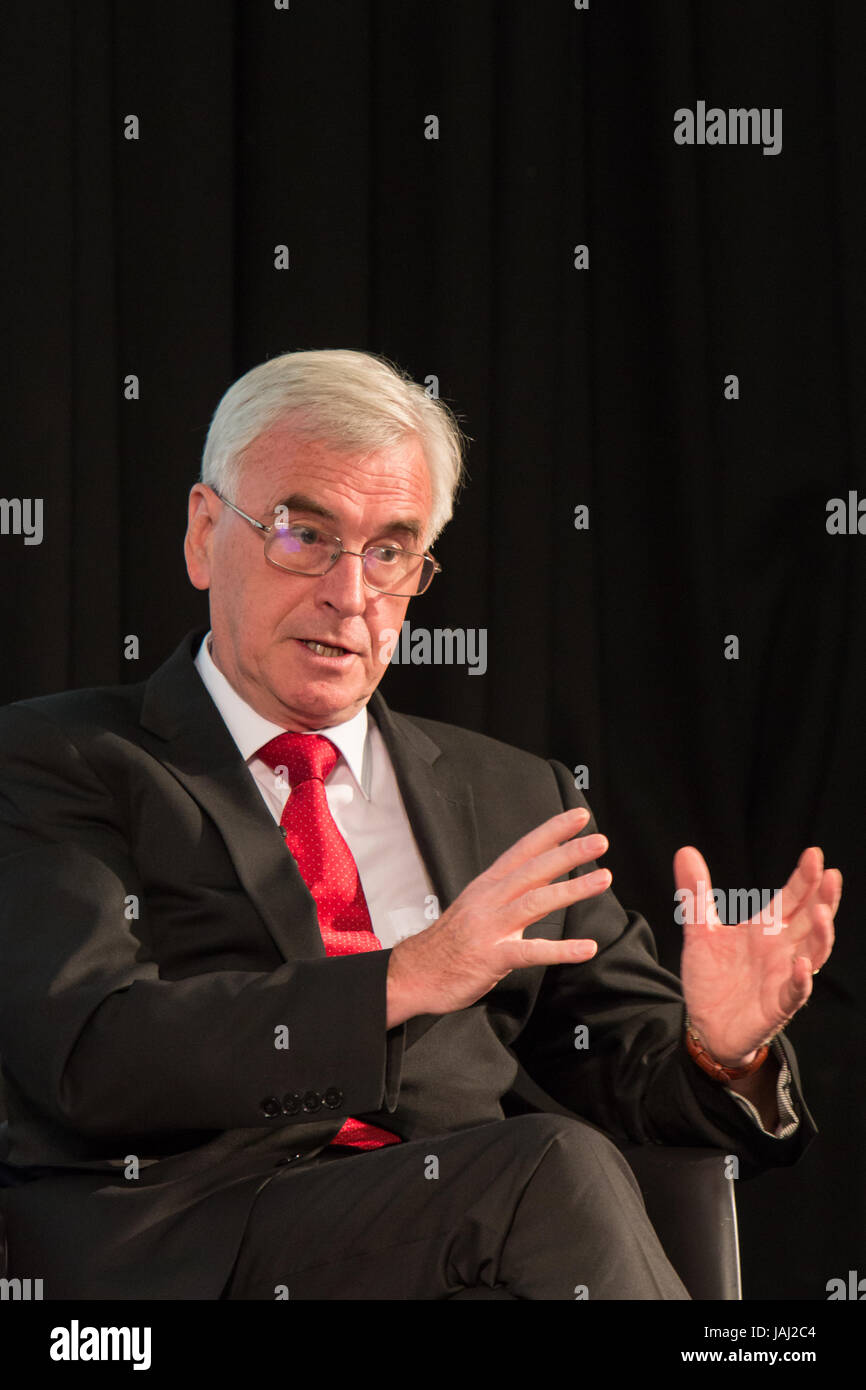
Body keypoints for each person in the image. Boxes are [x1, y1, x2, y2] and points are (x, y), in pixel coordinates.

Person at [0, 349, 839, 1300]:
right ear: (203, 534)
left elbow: (621, 1065)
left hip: (468, 1253)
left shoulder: (515, 795)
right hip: (198, 1245)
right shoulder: (62, 760)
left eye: (390, 551)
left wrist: (721, 1049)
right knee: (544, 1169)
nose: (350, 595)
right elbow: (90, 1054)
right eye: (303, 534)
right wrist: (404, 979)